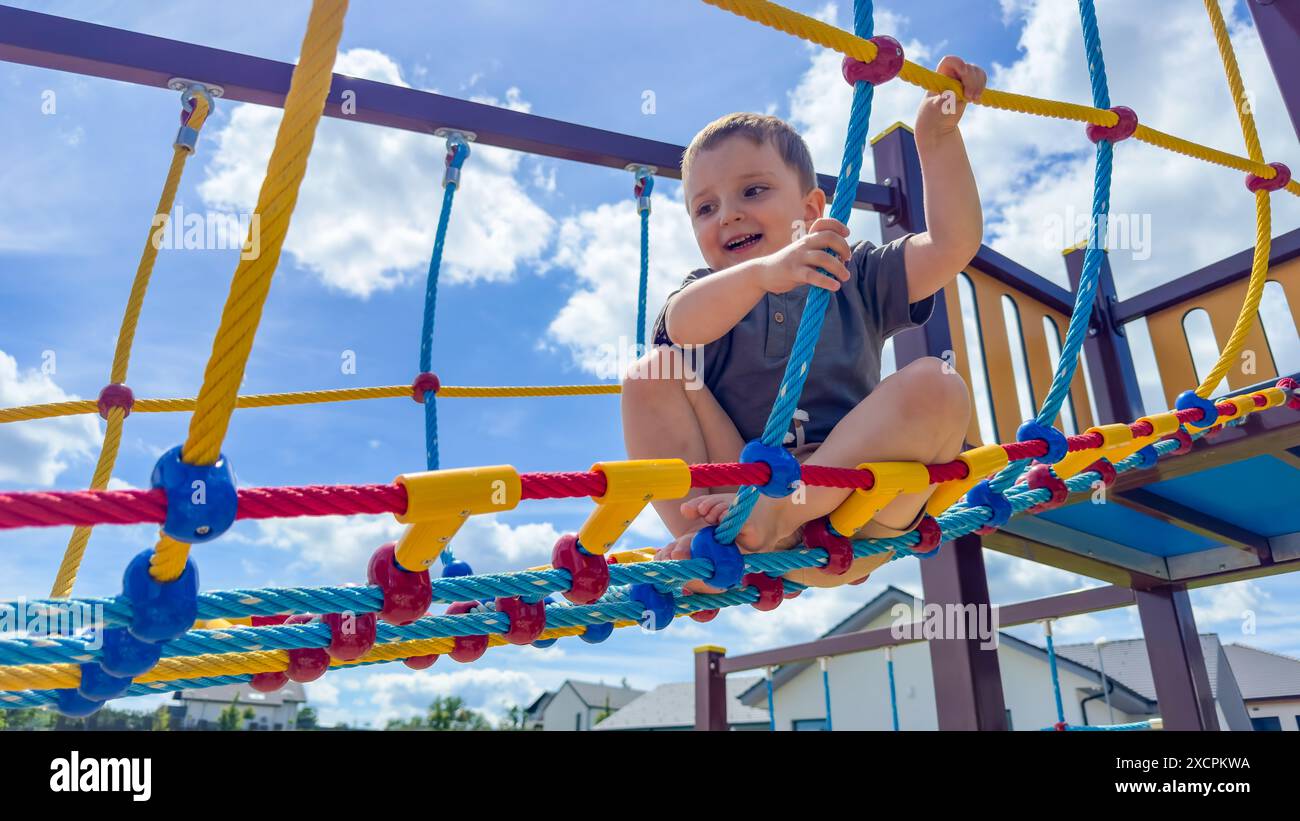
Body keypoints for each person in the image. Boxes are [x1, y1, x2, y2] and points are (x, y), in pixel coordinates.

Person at [620, 57, 987, 591]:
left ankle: (769, 522)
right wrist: (762, 275)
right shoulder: (710, 292)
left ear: (813, 210)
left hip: (855, 513)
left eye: (753, 191)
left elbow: (953, 246)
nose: (728, 215)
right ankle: (704, 550)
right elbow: (682, 327)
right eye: (704, 207)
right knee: (651, 372)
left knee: (939, 385)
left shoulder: (855, 271)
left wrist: (937, 138)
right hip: (739, 497)